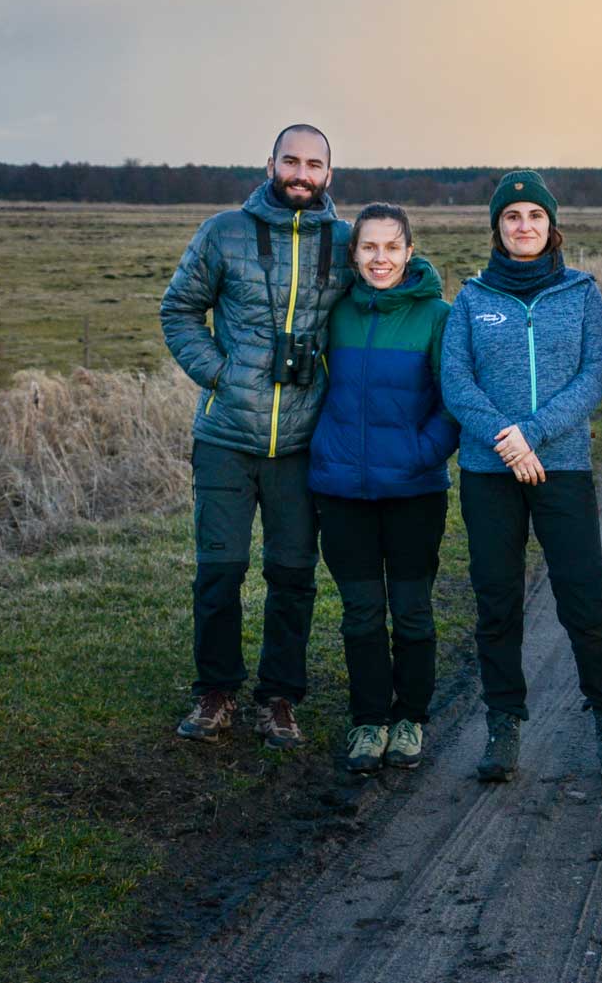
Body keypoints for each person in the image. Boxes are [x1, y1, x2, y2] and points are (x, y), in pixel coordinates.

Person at [161, 123, 353, 748]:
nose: (302, 173)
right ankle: (215, 692)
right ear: (270, 163)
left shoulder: (345, 242)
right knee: (220, 571)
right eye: (291, 160)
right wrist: (218, 373)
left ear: (330, 173)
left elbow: (387, 292)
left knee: (293, 575)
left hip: (302, 443)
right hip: (226, 436)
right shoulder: (224, 231)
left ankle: (280, 699)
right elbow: (179, 309)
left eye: (314, 164)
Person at [442, 171, 602, 783]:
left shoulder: (581, 293)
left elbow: (592, 377)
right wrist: (507, 439)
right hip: (488, 470)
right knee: (497, 600)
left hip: (563, 465)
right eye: (512, 216)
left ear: (552, 226)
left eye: (535, 216)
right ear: (496, 228)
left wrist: (534, 434)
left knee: (584, 596)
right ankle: (504, 723)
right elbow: (457, 383)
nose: (524, 226)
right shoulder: (472, 298)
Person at [306, 203, 460, 773]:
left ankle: (410, 719)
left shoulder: (437, 316)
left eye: (392, 247)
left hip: (415, 491)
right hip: (341, 489)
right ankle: (369, 722)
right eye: (368, 247)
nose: (380, 258)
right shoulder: (335, 314)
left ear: (410, 252)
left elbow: (453, 401)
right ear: (353, 254)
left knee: (413, 610)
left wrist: (421, 454)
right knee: (362, 612)